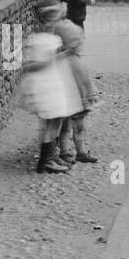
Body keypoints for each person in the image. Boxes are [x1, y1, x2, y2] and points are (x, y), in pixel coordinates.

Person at [19, 3, 83, 174]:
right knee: (50, 124)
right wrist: (59, 55)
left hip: (53, 83)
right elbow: (32, 65)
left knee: (55, 122)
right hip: (45, 86)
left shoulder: (51, 39)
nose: (55, 24)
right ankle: (45, 161)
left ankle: (51, 155)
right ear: (47, 21)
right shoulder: (39, 40)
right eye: (54, 20)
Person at [53, 12, 99, 165]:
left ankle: (81, 151)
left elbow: (85, 78)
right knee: (65, 127)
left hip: (80, 100)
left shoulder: (77, 59)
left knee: (79, 127)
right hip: (69, 99)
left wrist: (91, 91)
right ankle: (64, 151)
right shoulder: (64, 59)